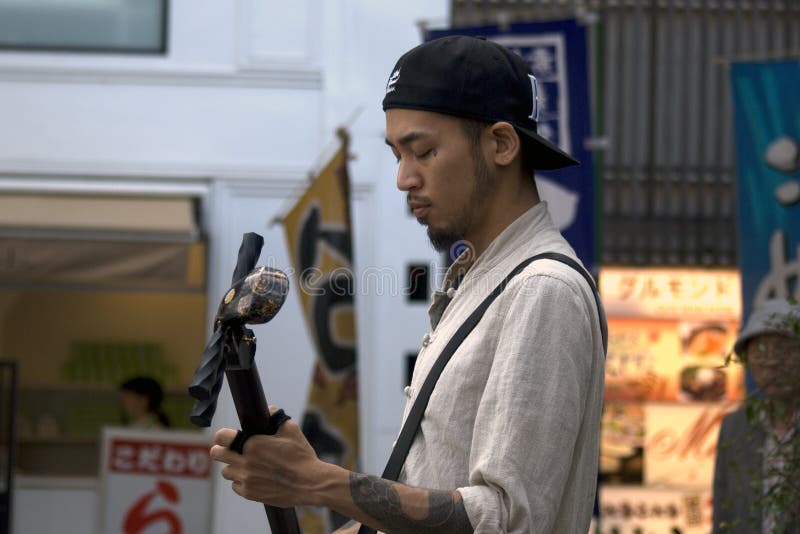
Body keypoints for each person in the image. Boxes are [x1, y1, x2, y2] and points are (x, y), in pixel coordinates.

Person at [210, 35, 607, 533]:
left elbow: (506, 521)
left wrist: (318, 483)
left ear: (502, 144)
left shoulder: (542, 289)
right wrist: (312, 480)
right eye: (397, 154)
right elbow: (438, 483)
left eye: (424, 151)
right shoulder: (480, 280)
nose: (404, 179)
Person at [712, 299, 800, 533]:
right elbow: (723, 512)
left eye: (783, 348)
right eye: (760, 350)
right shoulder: (735, 427)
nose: (771, 361)